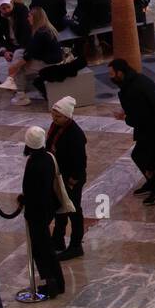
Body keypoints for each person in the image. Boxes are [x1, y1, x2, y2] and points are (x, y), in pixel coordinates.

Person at [110, 57, 155, 204]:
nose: (110, 77)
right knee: (140, 156)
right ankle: (152, 183)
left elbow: (139, 118)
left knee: (140, 156)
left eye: (112, 74)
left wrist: (125, 117)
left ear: (120, 73)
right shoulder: (137, 80)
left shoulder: (132, 90)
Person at [16, 126, 64, 298]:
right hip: (47, 208)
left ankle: (53, 284)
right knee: (45, 247)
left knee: (42, 249)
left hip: (38, 212)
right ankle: (57, 282)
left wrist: (24, 200)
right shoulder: (48, 158)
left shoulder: (35, 163)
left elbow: (35, 192)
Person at [46, 95, 87, 260]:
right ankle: (58, 239)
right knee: (60, 208)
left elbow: (80, 161)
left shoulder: (75, 134)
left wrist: (73, 181)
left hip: (71, 179)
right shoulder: (56, 127)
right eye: (53, 115)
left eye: (58, 116)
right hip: (59, 175)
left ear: (67, 116)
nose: (54, 118)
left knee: (74, 210)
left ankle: (76, 245)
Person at [5, 7, 62, 106]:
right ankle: (14, 83)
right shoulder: (45, 28)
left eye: (30, 16)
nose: (28, 18)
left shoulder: (40, 33)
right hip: (48, 58)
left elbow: (28, 56)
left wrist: (13, 68)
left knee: (19, 67)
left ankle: (21, 95)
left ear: (35, 18)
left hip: (51, 64)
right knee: (18, 53)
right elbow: (31, 50)